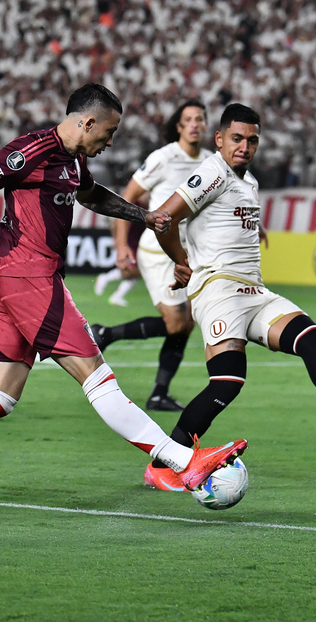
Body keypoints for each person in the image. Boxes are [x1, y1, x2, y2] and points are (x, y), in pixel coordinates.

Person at [0, 84, 247, 522]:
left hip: (15, 280)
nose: (108, 142)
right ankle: (184, 463)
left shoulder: (73, 161)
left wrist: (141, 215)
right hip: (31, 277)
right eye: (107, 133)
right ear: (86, 122)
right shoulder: (29, 151)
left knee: (0, 394)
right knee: (98, 377)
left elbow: (92, 195)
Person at [142, 103, 316, 492]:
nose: (245, 146)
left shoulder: (247, 181)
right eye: (237, 138)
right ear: (219, 140)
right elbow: (164, 218)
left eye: (252, 140)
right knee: (227, 381)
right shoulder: (213, 171)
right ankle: (163, 465)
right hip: (219, 289)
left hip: (253, 289)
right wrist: (181, 262)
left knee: (310, 336)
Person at [90, 101, 213, 411]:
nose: (195, 124)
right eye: (188, 119)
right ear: (179, 127)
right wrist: (121, 246)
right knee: (176, 324)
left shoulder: (212, 162)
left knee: (185, 325)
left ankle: (159, 393)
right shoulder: (164, 158)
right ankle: (106, 334)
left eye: (200, 119)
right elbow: (126, 198)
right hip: (158, 251)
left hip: (186, 254)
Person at [93, 218, 143, 307]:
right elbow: (118, 221)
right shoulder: (136, 205)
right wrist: (117, 239)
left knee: (136, 273)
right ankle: (106, 279)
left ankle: (117, 295)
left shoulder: (149, 206)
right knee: (134, 271)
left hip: (139, 243)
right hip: (131, 243)